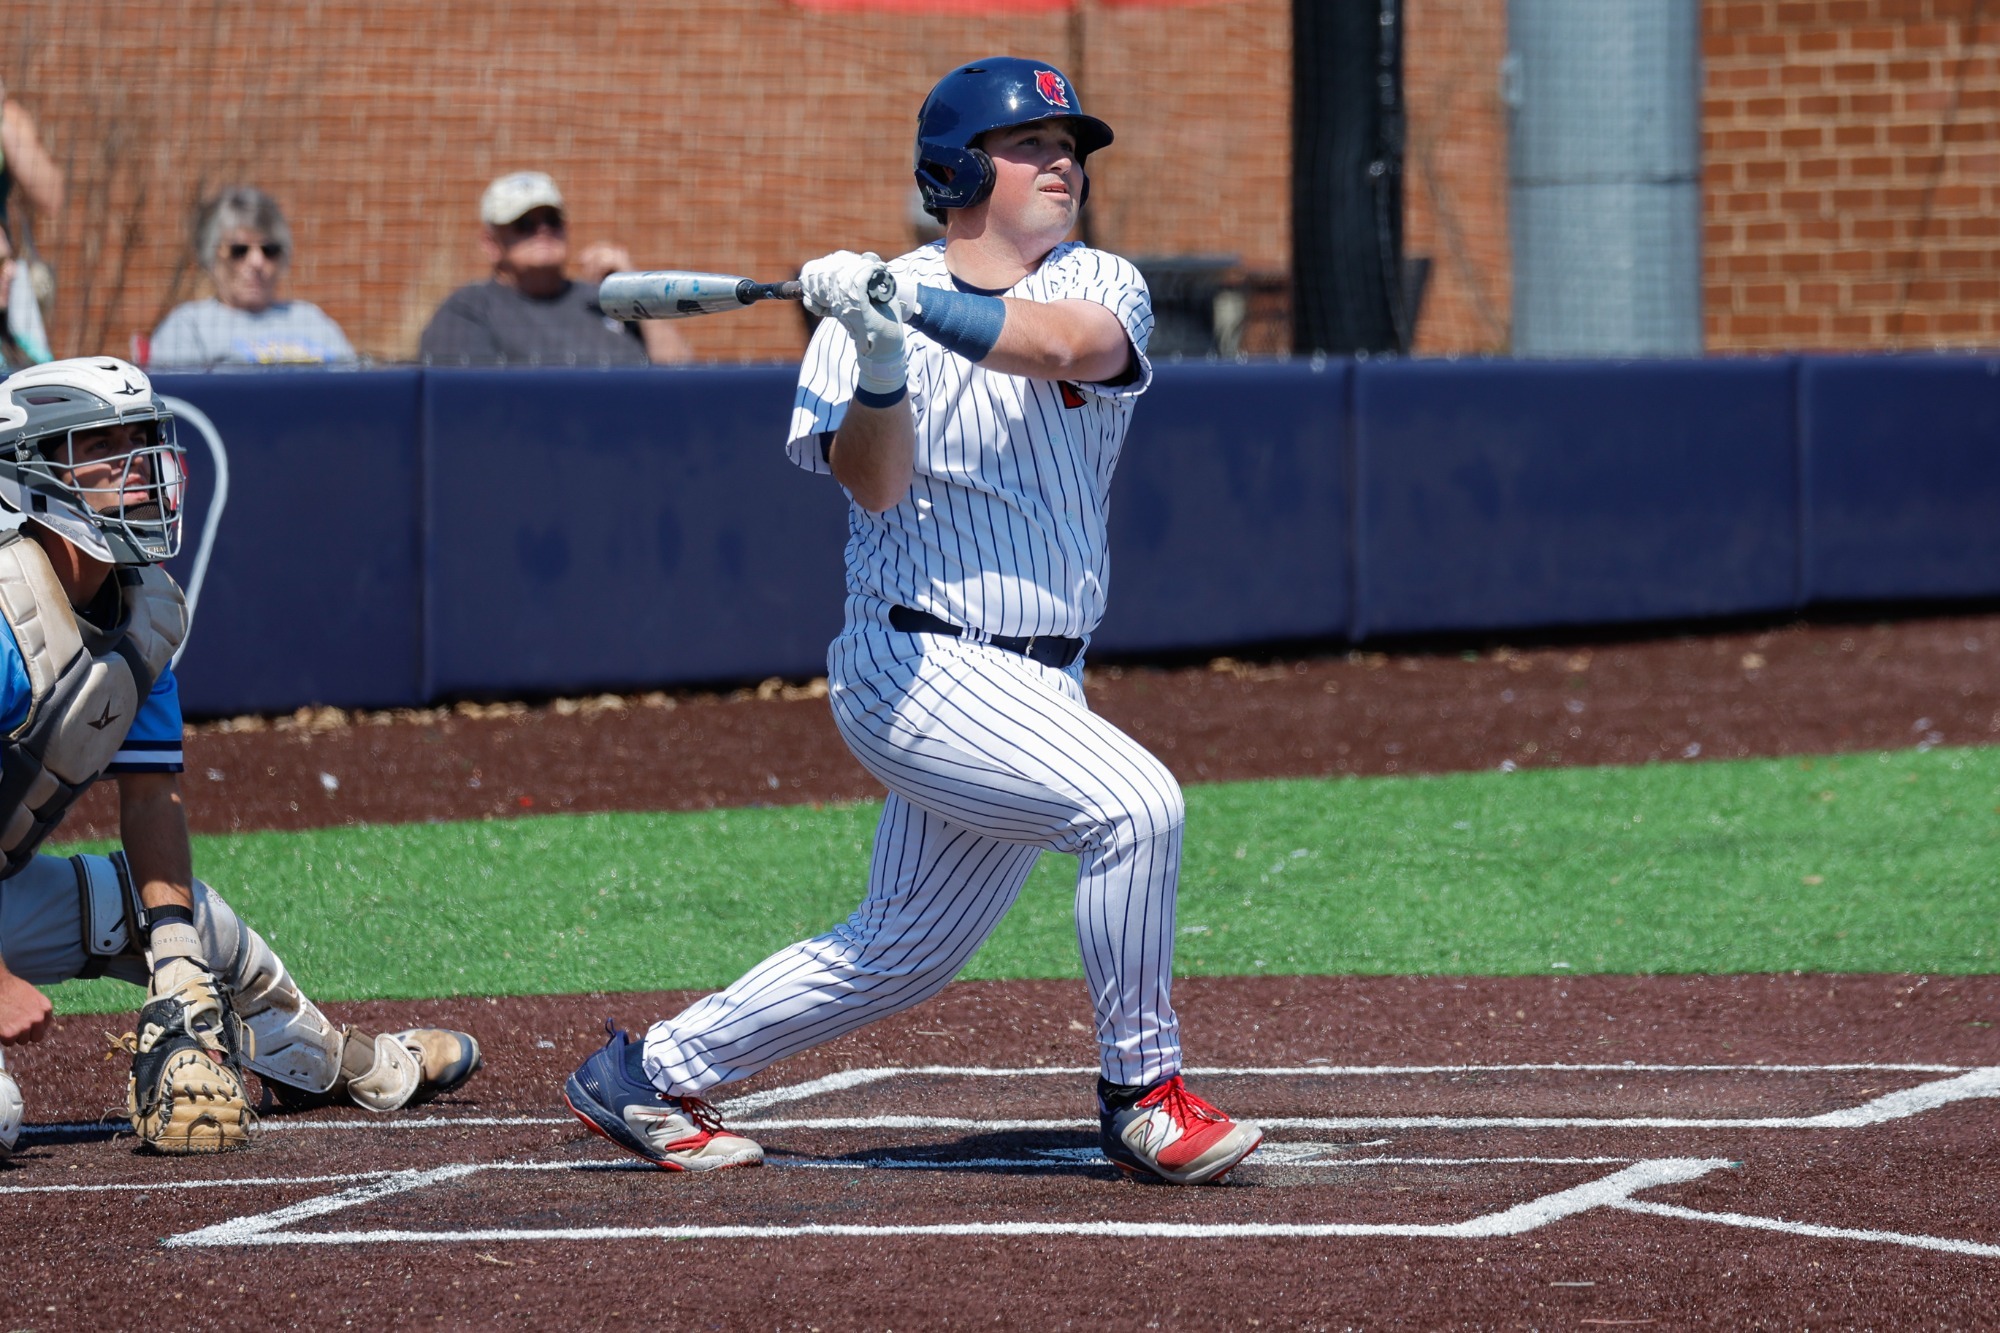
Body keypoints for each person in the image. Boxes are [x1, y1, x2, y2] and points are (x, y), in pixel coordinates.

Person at [565, 58, 1262, 1186]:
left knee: (901, 949)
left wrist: (912, 306)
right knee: (1135, 807)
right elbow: (872, 483)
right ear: (955, 170)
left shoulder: (1103, 280)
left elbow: (1056, 346)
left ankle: (647, 1071)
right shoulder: (854, 316)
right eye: (1029, 142)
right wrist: (881, 356)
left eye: (1066, 143)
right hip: (915, 665)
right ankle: (1142, 1093)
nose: (1061, 162)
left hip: (1039, 680)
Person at [0, 357, 479, 1158]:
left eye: (141, 440)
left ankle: (341, 1065)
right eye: (103, 446)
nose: (137, 468)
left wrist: (179, 961)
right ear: (31, 474)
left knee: (192, 921)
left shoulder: (141, 612)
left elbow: (152, 801)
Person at [419, 171, 690, 367]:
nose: (543, 230)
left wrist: (637, 290)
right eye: (524, 223)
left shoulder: (606, 301)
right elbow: (472, 408)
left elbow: (680, 376)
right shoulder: (471, 310)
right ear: (491, 244)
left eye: (552, 219)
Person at [148, 188, 357, 368]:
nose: (257, 262)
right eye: (239, 250)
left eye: (269, 250)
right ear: (212, 257)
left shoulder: (310, 320)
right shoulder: (188, 326)